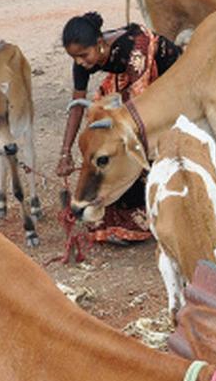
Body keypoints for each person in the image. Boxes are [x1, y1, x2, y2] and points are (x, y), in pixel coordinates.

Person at [56, 12, 181, 242]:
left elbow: (138, 114)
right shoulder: (84, 60)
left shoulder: (135, 49)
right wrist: (65, 152)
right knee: (98, 117)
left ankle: (147, 202)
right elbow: (77, 107)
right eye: (75, 58)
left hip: (164, 83)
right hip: (131, 87)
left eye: (83, 56)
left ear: (100, 44)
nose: (80, 63)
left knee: (131, 141)